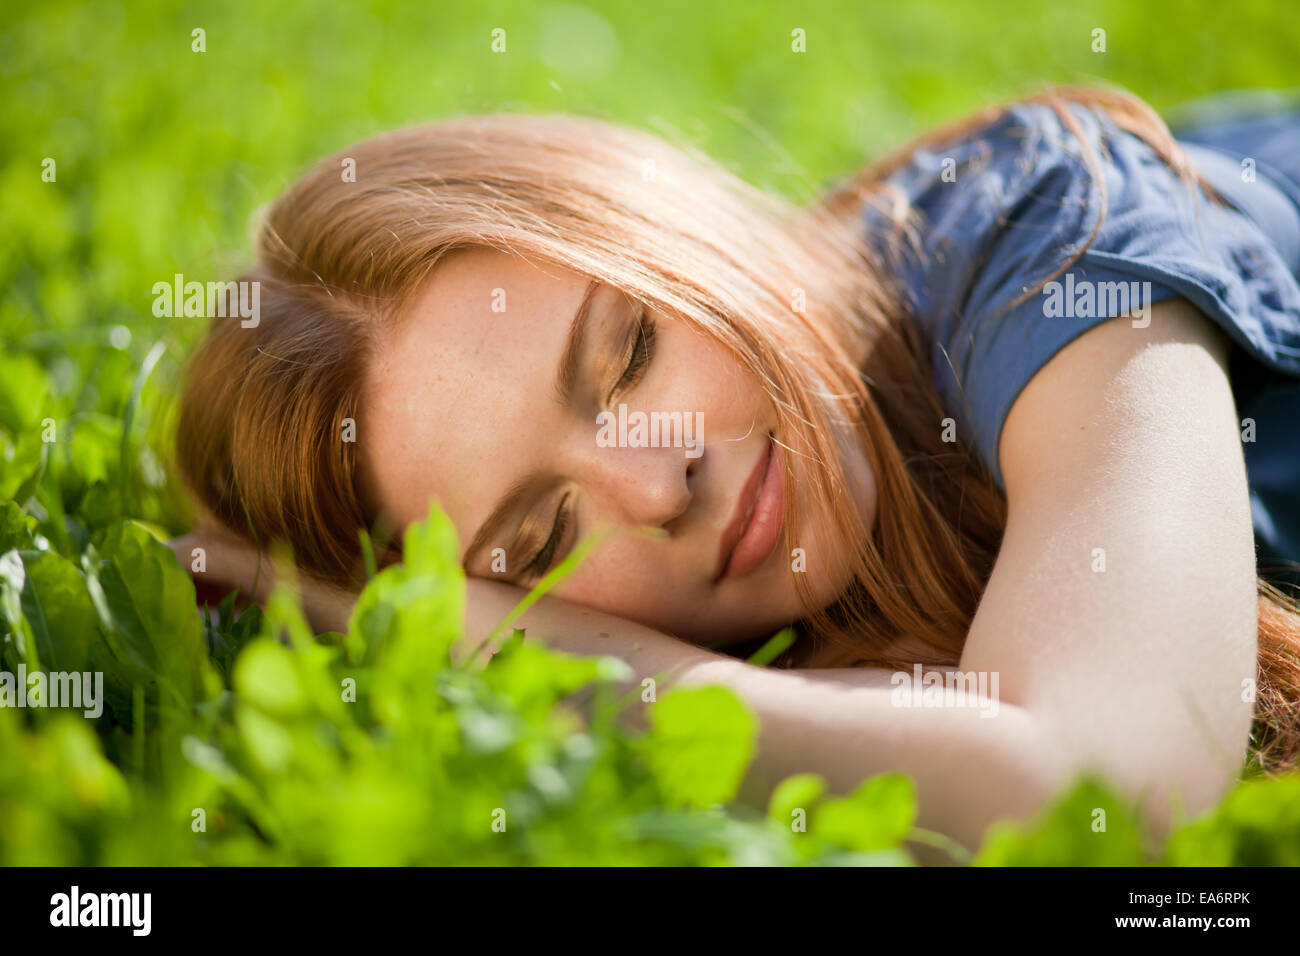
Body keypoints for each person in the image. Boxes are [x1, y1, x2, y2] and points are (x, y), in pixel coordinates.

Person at [171, 86, 1300, 854]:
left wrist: (511, 646)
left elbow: (1102, 799)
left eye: (628, 352)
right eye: (541, 538)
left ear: (671, 219)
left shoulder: (1049, 237)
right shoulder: (796, 611)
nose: (660, 485)